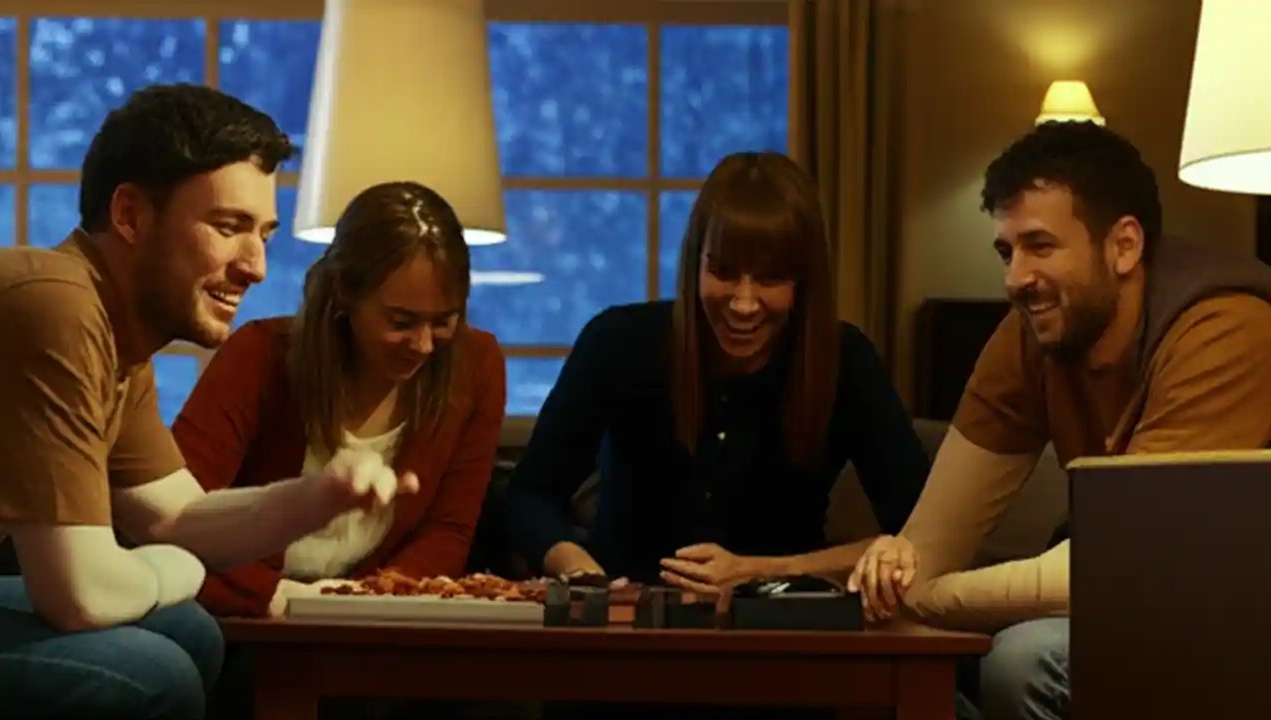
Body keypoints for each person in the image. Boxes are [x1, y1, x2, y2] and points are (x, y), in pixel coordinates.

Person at [0, 84, 418, 720]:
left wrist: (319, 495)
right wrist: (174, 571)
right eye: (228, 228)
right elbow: (80, 594)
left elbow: (176, 517)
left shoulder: (117, 336)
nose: (256, 267)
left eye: (265, 235)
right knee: (150, 672)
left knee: (192, 632)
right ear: (131, 215)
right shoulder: (54, 305)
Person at [848, 121, 1271, 720]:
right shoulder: (1030, 334)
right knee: (889, 654)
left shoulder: (1225, 326)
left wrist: (927, 597)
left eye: (1040, 246)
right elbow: (929, 545)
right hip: (1136, 596)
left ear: (1124, 245)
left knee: (1025, 658)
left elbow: (1129, 564)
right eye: (1006, 250)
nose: (1015, 278)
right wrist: (898, 579)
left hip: (1237, 607)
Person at [506, 151, 929, 717]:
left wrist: (759, 572)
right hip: (625, 652)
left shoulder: (844, 358)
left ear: (805, 282)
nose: (744, 302)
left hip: (782, 655)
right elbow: (531, 495)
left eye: (772, 278)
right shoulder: (618, 342)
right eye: (723, 271)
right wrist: (586, 578)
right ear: (694, 263)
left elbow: (920, 532)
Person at [173, 180, 506, 619]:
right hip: (249, 617)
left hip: (382, 623)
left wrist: (371, 602)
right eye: (401, 321)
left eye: (444, 321)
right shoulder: (259, 357)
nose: (424, 345)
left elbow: (448, 531)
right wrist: (283, 599)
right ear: (345, 292)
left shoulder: (475, 365)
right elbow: (179, 521)